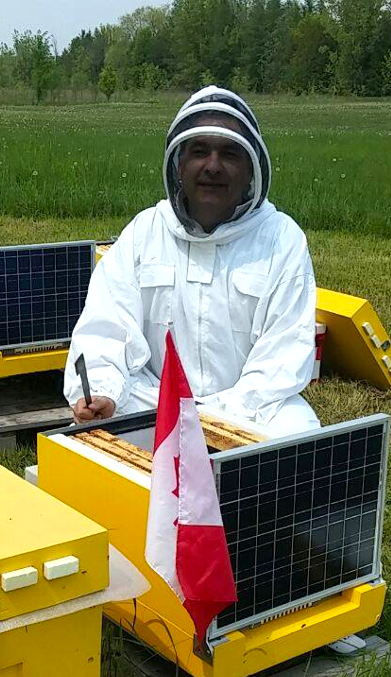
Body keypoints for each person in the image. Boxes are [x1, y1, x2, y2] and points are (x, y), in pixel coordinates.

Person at [64, 86, 321, 435]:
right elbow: (105, 327)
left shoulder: (281, 239)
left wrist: (214, 420)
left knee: (300, 434)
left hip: (248, 408)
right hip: (153, 401)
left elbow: (284, 353)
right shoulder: (145, 232)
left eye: (230, 154)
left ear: (250, 170)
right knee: (93, 436)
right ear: (179, 165)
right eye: (199, 151)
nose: (213, 166)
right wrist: (103, 392)